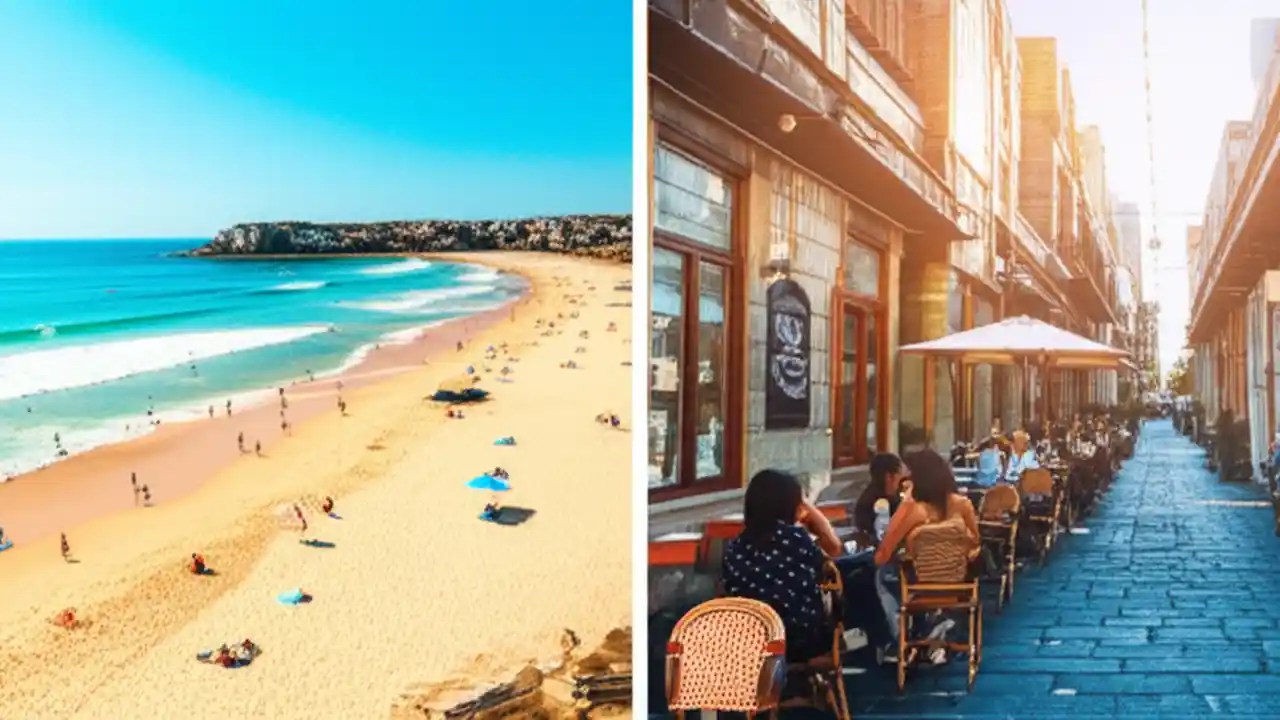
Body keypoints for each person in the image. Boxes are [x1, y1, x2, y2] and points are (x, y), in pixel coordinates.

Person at [722, 469, 843, 663]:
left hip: (747, 641)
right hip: (798, 639)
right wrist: (809, 509)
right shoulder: (795, 539)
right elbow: (834, 548)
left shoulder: (735, 546)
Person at [855, 453, 908, 540]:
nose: (902, 480)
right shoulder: (878, 503)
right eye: (899, 474)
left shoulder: (890, 497)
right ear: (889, 477)